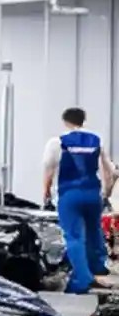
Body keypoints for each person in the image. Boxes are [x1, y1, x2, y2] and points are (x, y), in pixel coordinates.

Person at [43, 107, 116, 293]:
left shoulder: (58, 142)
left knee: (74, 236)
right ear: (83, 120)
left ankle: (83, 279)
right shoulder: (96, 140)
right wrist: (106, 193)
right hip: (93, 193)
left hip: (69, 194)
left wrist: (46, 193)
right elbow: (110, 171)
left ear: (65, 121)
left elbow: (49, 171)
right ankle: (98, 270)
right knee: (94, 232)